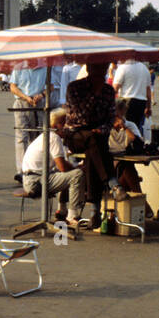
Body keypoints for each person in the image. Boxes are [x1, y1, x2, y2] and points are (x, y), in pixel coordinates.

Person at [62, 62, 119, 227]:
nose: (100, 73)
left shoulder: (109, 90)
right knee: (94, 143)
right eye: (97, 70)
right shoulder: (75, 87)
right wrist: (95, 92)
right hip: (75, 135)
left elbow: (110, 117)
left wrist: (101, 129)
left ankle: (95, 213)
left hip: (97, 137)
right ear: (89, 69)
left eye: (103, 69)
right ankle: (112, 182)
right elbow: (81, 116)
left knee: (93, 151)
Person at [21, 108, 88, 227]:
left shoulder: (46, 135)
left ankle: (62, 210)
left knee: (67, 174)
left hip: (30, 179)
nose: (69, 128)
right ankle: (72, 216)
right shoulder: (53, 138)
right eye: (67, 124)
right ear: (59, 124)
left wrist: (74, 167)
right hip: (36, 181)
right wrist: (78, 167)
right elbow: (62, 166)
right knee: (76, 175)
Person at [10, 65, 48, 184]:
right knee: (21, 138)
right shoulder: (19, 67)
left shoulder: (45, 68)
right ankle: (21, 170)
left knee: (36, 138)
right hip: (21, 102)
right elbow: (13, 87)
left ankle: (34, 168)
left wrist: (41, 95)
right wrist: (25, 97)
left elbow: (50, 86)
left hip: (38, 103)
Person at [112, 57, 152, 130]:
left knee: (126, 127)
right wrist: (148, 107)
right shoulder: (144, 68)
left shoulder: (122, 68)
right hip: (141, 102)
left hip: (126, 102)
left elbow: (115, 88)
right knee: (137, 127)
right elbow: (148, 91)